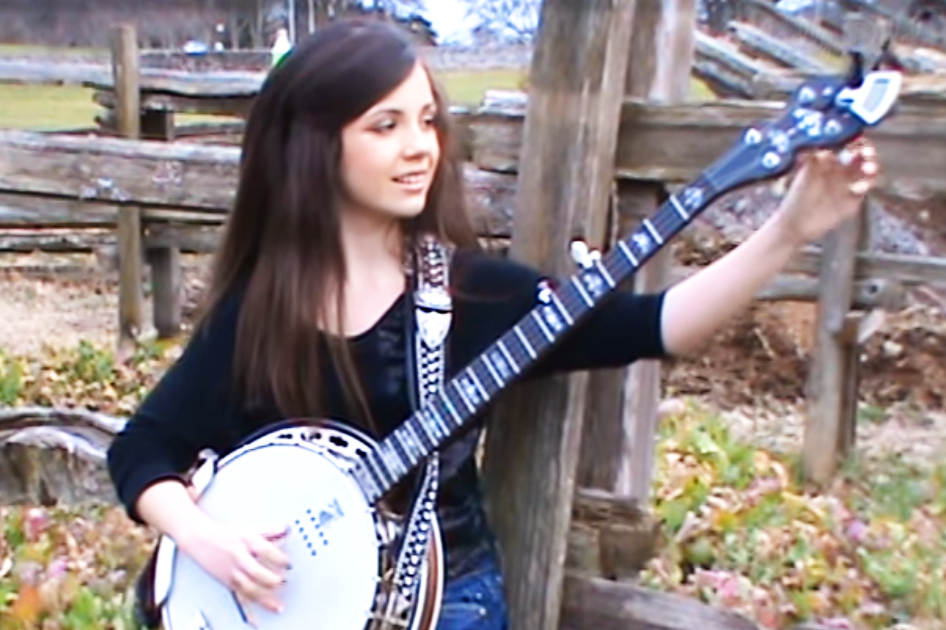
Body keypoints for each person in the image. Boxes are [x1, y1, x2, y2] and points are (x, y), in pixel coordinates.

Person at [105, 18, 880, 630]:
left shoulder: (476, 297)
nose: (420, 149)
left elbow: (659, 325)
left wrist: (788, 230)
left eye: (428, 121)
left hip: (446, 608)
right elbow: (144, 450)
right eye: (386, 126)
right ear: (314, 147)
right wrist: (204, 538)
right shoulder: (261, 308)